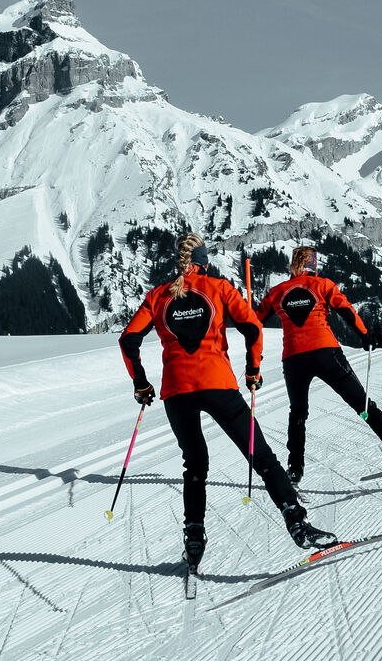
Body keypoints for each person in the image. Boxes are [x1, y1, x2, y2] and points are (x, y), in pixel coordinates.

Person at [119, 233, 336, 575]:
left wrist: (141, 383)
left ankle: (193, 538)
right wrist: (253, 369)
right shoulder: (218, 287)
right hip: (217, 384)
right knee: (261, 456)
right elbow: (252, 327)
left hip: (176, 391)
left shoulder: (158, 296)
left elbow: (129, 340)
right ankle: (297, 523)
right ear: (204, 260)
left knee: (195, 464)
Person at [257, 246, 382, 484]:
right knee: (361, 402)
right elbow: (346, 310)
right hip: (326, 352)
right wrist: (365, 336)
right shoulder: (323, 285)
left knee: (298, 414)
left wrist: (255, 362)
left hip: (294, 359)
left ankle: (294, 469)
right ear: (313, 265)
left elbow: (253, 324)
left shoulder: (277, 292)